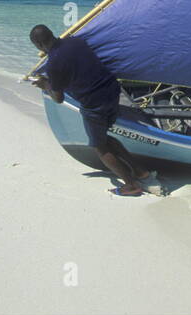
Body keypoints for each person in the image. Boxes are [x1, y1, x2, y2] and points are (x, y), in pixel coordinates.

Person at [28, 24, 157, 196]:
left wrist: (46, 85)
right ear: (52, 33)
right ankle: (142, 172)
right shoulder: (75, 41)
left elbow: (58, 98)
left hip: (95, 104)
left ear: (38, 45)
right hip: (112, 92)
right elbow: (77, 68)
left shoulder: (54, 63)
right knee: (105, 138)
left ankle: (131, 185)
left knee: (99, 147)